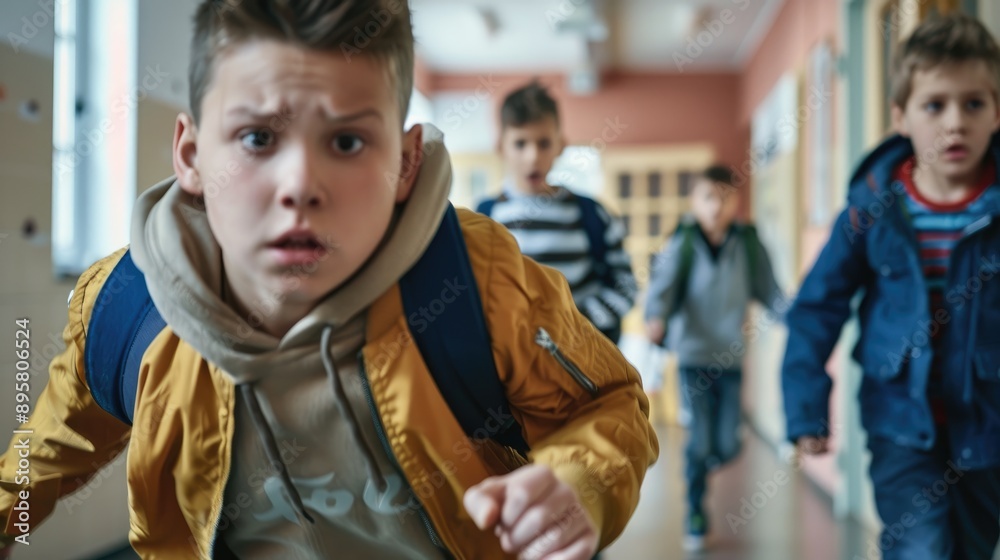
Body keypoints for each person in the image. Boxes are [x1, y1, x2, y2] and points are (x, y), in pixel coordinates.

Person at [0, 2, 658, 558]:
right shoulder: (124, 310)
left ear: (404, 164)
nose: (300, 188)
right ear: (193, 155)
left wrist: (581, 481)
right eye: (258, 137)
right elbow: (35, 469)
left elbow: (610, 405)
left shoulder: (477, 281)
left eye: (345, 143)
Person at [782, 13, 1000, 560]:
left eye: (974, 103)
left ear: (997, 110)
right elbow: (816, 307)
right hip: (901, 422)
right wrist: (806, 406)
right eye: (935, 105)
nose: (955, 122)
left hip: (989, 425)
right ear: (901, 115)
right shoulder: (872, 210)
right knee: (920, 549)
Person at [643, 164, 784, 551]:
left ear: (736, 201)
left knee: (727, 445)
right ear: (695, 202)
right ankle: (695, 509)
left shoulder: (749, 244)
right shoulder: (684, 242)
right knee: (700, 440)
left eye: (724, 198)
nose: (716, 207)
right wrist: (655, 317)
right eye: (708, 197)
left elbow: (770, 292)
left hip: (732, 359)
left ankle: (700, 464)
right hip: (692, 357)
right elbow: (662, 289)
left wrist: (799, 319)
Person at [476, 82, 637, 344]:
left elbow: (626, 285)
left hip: (583, 361)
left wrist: (573, 325)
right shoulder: (483, 218)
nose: (532, 156)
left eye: (543, 143)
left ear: (561, 145)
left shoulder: (593, 214)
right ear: (500, 147)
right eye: (520, 143)